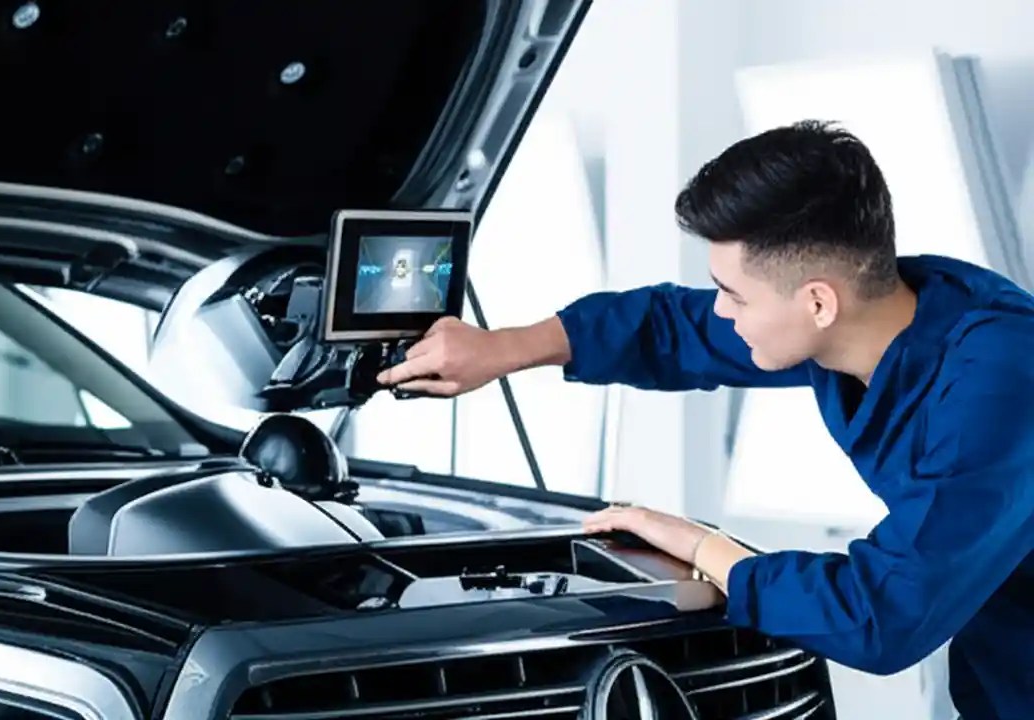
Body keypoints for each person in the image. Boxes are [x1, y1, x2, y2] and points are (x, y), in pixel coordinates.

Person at [376, 120, 1034, 719]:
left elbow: (883, 613)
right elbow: (672, 328)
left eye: (734, 294)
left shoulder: (1000, 383)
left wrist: (704, 549)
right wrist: (505, 348)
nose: (720, 311)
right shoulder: (874, 313)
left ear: (817, 302)